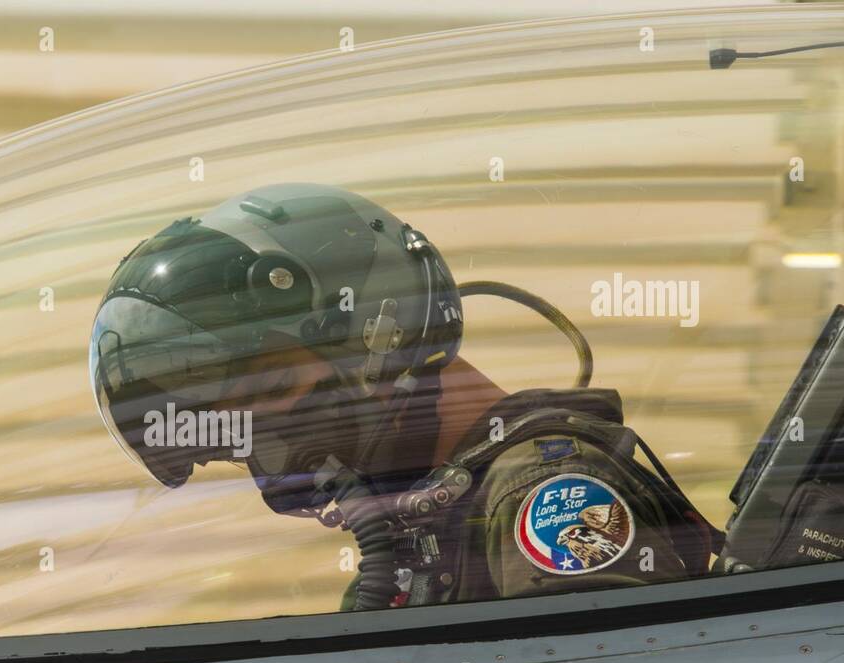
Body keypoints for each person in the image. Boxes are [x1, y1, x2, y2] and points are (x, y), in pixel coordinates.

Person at [89, 183, 716, 610]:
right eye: (226, 427)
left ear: (384, 342)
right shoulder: (413, 537)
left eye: (274, 387)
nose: (257, 451)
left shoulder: (544, 495)